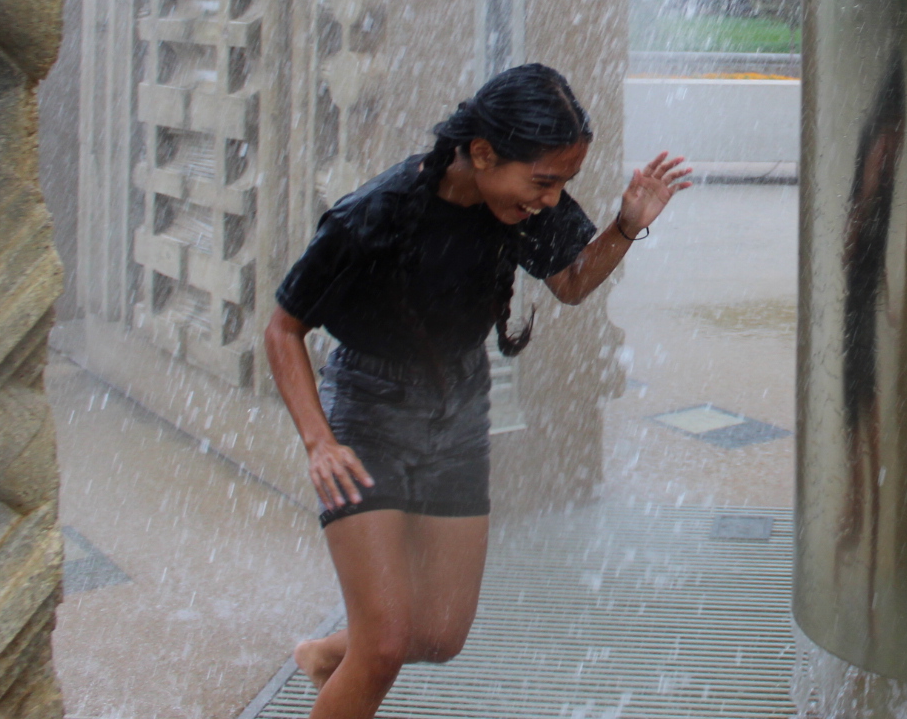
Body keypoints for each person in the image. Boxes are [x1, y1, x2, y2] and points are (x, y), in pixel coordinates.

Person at [262, 63, 690, 717]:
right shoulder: (372, 216)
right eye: (543, 181)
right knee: (382, 651)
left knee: (437, 635)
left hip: (458, 411)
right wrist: (318, 442)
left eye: (563, 184)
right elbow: (283, 329)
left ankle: (324, 657)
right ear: (483, 153)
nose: (550, 199)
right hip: (367, 417)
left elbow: (571, 282)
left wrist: (626, 226)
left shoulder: (521, 206)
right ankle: (349, 659)